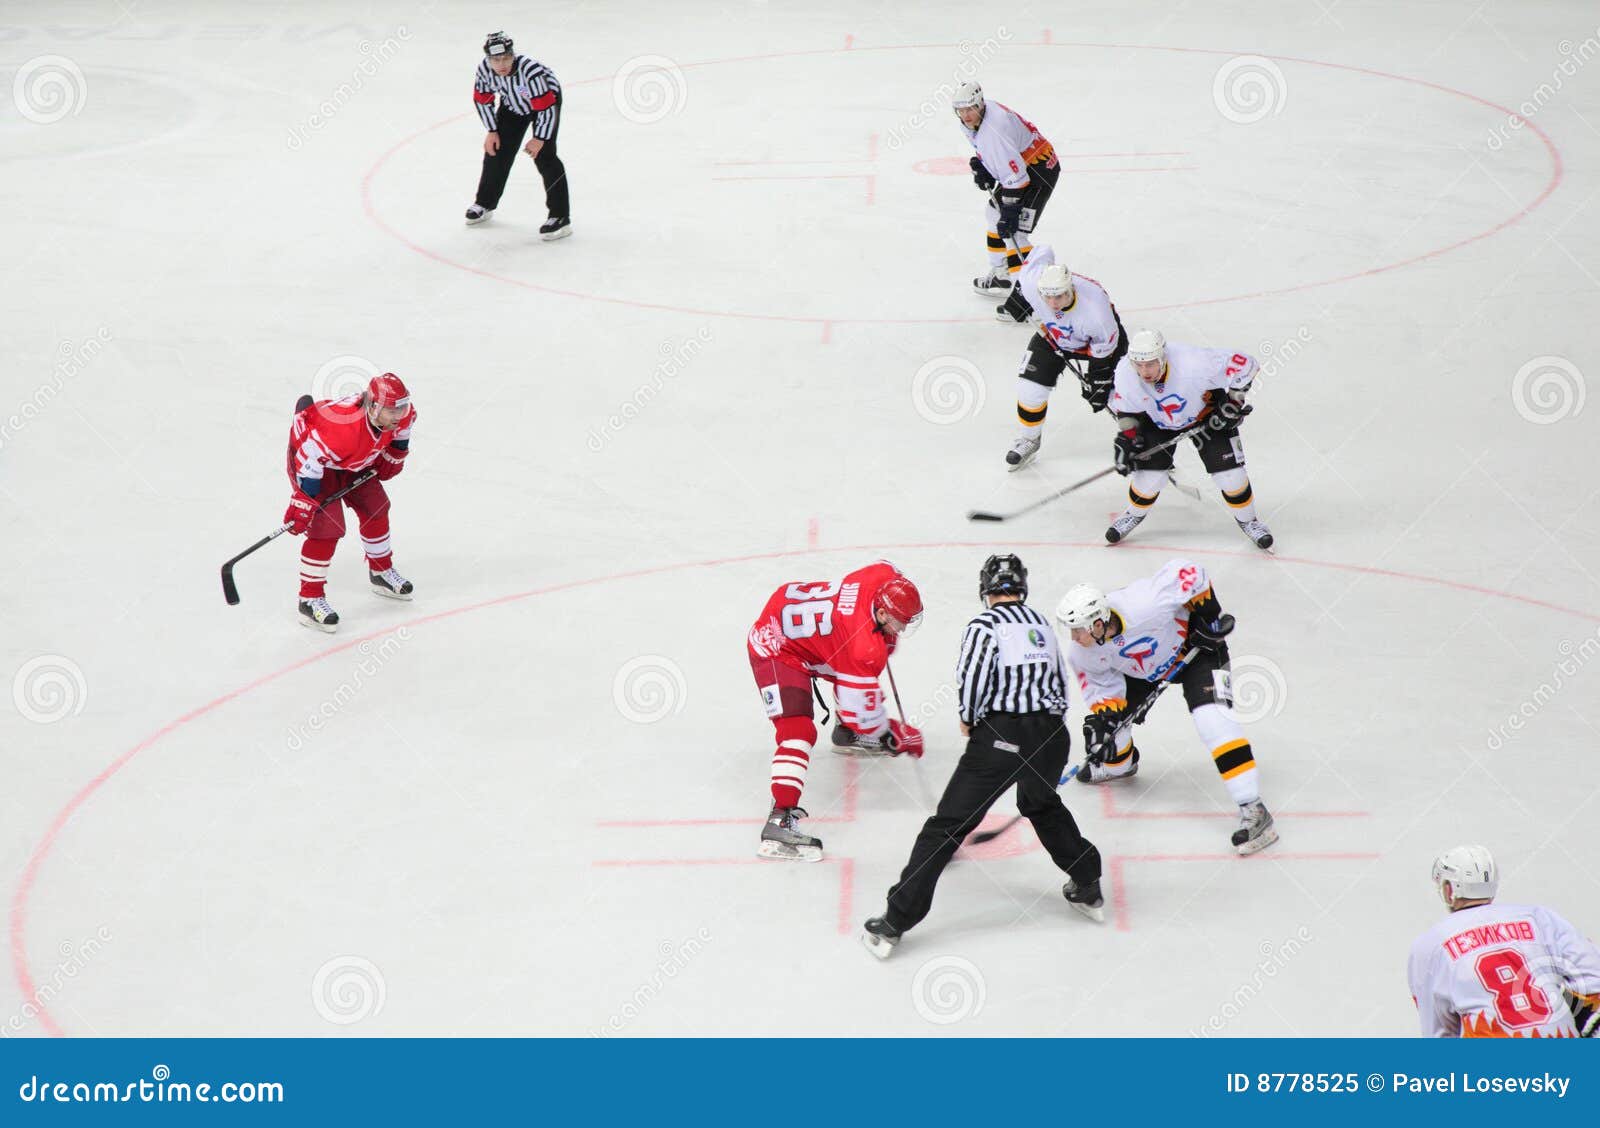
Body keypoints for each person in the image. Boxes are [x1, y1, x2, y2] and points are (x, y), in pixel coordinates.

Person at [861, 555, 1104, 959]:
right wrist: (1047, 735)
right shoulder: (1042, 623)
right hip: (1052, 737)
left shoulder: (983, 624)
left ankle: (893, 922)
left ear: (985, 588)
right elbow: (1060, 683)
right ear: (1021, 586)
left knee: (946, 827)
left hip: (1002, 737)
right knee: (1040, 804)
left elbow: (972, 678)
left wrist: (969, 721)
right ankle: (1087, 880)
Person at [1055, 559, 1278, 855]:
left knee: (1213, 721)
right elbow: (1104, 688)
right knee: (1113, 726)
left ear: (1098, 623)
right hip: (1144, 671)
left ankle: (1253, 807)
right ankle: (1120, 765)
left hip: (1199, 650)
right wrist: (1105, 717)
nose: (1074, 637)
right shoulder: (1083, 653)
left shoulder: (1144, 604)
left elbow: (1190, 573)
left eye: (1077, 630)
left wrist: (1209, 617)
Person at [747, 561, 925, 861]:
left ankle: (846, 734)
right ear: (881, 613)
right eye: (898, 620)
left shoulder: (881, 579)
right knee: (797, 731)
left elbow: (889, 566)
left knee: (855, 669)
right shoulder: (863, 646)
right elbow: (863, 714)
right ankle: (779, 820)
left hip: (794, 613)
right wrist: (893, 733)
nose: (903, 627)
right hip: (776, 647)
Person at [1407, 845, 1600, 1037]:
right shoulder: (1539, 917)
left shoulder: (1430, 943)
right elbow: (1593, 976)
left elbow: (1438, 1032)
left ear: (1449, 890)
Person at [1107, 329, 1273, 549]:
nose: (1144, 372)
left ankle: (1249, 521)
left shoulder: (1195, 363)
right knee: (1149, 479)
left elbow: (1248, 364)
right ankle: (1133, 514)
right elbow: (1127, 412)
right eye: (1139, 365)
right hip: (1157, 422)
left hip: (1207, 417)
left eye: (1150, 364)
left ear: (1163, 357)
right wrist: (1127, 440)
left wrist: (1233, 403)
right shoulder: (1125, 373)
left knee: (1231, 477)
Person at [285, 374, 416, 632]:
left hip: (354, 459)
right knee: (326, 529)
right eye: (391, 409)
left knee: (376, 508)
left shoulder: (403, 416)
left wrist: (395, 455)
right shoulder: (341, 431)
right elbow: (308, 453)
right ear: (373, 406)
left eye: (401, 407)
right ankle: (309, 600)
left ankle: (380, 572)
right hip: (315, 461)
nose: (398, 415)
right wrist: (304, 501)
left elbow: (394, 450)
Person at [1002, 245, 1125, 471]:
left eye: (1058, 296)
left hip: (1100, 345)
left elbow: (1105, 350)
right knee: (1030, 389)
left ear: (1071, 290)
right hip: (1053, 337)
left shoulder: (1095, 312)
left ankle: (1147, 443)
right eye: (1046, 297)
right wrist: (1018, 292)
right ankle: (1029, 439)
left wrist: (1099, 380)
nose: (1052, 304)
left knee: (1117, 398)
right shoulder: (1033, 282)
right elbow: (1042, 250)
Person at [953, 83, 1059, 311]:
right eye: (960, 110)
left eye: (970, 108)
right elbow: (1000, 154)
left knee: (1013, 232)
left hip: (1038, 171)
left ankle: (1031, 298)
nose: (965, 115)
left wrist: (1010, 211)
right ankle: (1002, 274)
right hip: (1024, 165)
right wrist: (984, 166)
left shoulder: (994, 131)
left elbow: (1018, 179)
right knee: (993, 213)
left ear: (980, 104)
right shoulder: (975, 120)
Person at [465, 31, 570, 238]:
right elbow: (482, 100)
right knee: (496, 152)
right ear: (488, 59)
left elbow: (546, 107)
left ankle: (560, 217)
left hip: (544, 105)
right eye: (496, 59)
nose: (501, 64)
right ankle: (485, 203)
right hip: (513, 106)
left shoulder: (531, 71)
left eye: (506, 58)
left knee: (545, 157)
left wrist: (539, 138)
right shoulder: (484, 70)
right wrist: (492, 131)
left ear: (513, 55)